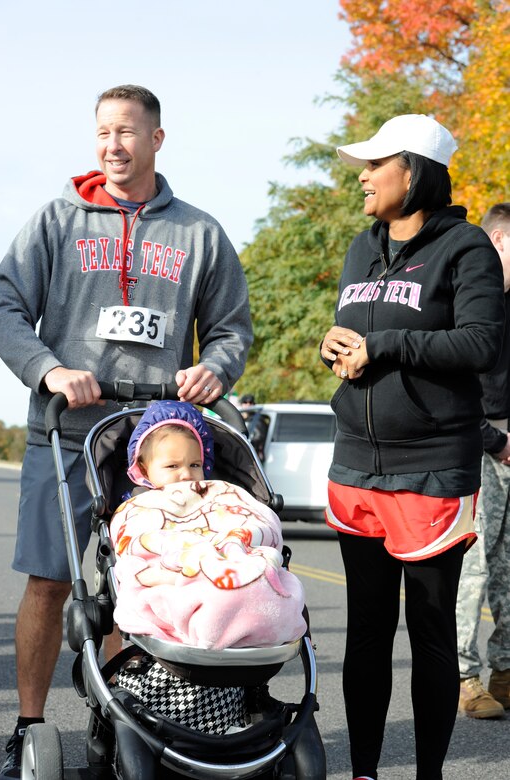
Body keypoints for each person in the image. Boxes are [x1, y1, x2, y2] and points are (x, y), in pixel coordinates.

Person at [0, 84, 253, 777]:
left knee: (143, 583)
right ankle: (30, 723)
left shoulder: (198, 232)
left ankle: (123, 721)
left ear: (157, 140)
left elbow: (231, 330)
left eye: (127, 132)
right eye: (103, 132)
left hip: (157, 445)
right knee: (52, 582)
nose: (113, 145)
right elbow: (3, 302)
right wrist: (48, 369)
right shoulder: (57, 221)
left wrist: (214, 370)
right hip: (69, 431)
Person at [319, 114, 505, 780]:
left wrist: (387, 344)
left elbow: (482, 343)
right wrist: (331, 345)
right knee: (365, 629)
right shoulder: (358, 247)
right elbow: (353, 334)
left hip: (430, 466)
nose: (362, 176)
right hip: (354, 463)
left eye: (375, 164)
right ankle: (365, 772)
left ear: (414, 169)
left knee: (427, 631)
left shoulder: (464, 247)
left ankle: (427, 775)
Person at [110, 400, 306, 741]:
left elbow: (254, 520)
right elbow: (136, 543)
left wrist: (239, 542)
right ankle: (215, 612)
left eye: (195, 464)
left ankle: (245, 607)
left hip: (229, 560)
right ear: (143, 467)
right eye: (172, 466)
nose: (186, 475)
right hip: (180, 571)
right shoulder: (139, 506)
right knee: (199, 585)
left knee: (258, 567)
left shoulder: (220, 493)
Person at [456, 202, 510, 718]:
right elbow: (448, 389)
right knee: (472, 567)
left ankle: (506, 670)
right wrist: (493, 440)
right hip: (478, 446)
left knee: (509, 568)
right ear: (496, 243)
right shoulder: (469, 299)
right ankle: (465, 678)